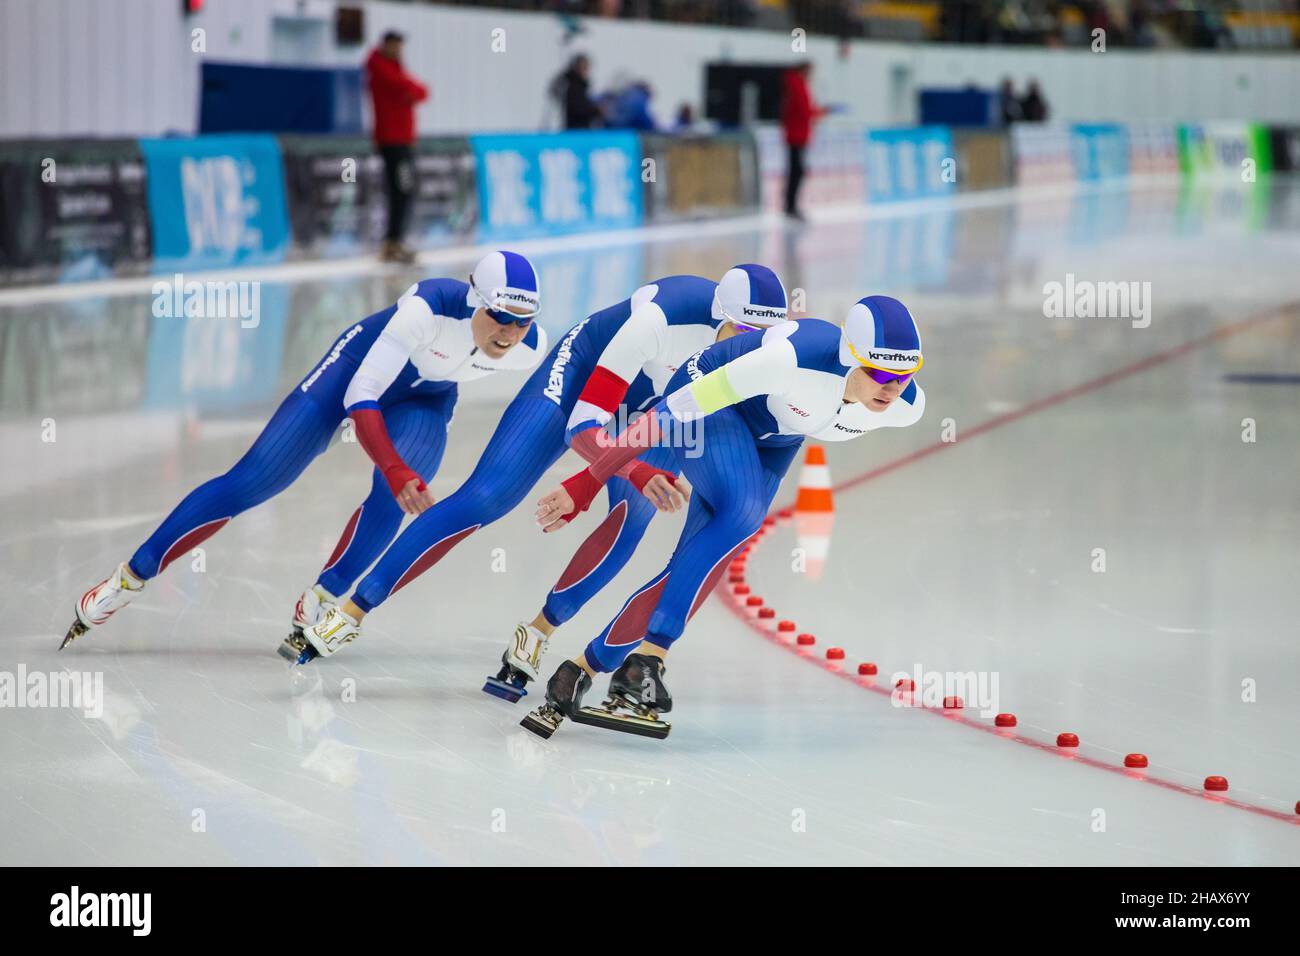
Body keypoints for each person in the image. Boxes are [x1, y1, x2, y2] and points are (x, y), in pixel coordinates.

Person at [296, 267, 790, 667]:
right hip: (583, 384)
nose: (749, 348)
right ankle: (354, 609)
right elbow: (582, 426)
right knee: (488, 495)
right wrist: (625, 469)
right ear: (718, 317)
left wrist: (627, 474)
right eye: (744, 333)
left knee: (631, 518)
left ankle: (538, 632)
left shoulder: (761, 361)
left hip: (654, 408)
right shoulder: (660, 320)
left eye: (763, 340)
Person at [61, 252, 548, 655]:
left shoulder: (531, 348)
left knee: (399, 496)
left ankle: (325, 594)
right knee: (254, 480)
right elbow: (362, 396)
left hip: (425, 399)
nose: (507, 332)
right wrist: (392, 464)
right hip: (352, 377)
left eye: (521, 322)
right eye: (499, 316)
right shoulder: (427, 308)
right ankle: (129, 578)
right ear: (474, 299)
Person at [522, 295, 927, 739]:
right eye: (882, 373)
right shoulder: (787, 361)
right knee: (744, 513)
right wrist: (588, 481)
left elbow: (844, 403)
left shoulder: (907, 407)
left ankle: (581, 671)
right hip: (708, 401)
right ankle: (648, 659)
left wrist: (892, 380)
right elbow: (666, 413)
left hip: (776, 436)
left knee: (697, 565)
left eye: (905, 375)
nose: (893, 388)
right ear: (851, 357)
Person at [366, 30, 429, 264]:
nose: (398, 50)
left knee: (402, 190)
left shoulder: (394, 66)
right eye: (396, 46)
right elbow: (410, 88)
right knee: (400, 189)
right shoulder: (381, 67)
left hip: (401, 140)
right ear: (387, 44)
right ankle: (392, 242)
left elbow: (421, 92)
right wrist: (409, 93)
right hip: (393, 141)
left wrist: (409, 93)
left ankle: (395, 240)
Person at [780, 61, 828, 222]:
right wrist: (820, 112)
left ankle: (790, 205)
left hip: (798, 134)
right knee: (797, 171)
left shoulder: (798, 86)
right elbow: (804, 111)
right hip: (797, 135)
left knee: (796, 171)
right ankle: (790, 206)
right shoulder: (798, 87)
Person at [552, 53, 603, 130]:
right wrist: (596, 111)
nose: (586, 70)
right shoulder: (573, 86)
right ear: (576, 67)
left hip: (580, 129)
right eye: (584, 67)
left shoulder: (580, 86)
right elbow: (577, 108)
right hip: (576, 129)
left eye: (587, 67)